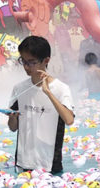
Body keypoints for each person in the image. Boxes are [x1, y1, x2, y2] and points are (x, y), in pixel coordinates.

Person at [8, 35, 75, 173]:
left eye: (31, 62)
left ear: (46, 61)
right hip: (23, 163)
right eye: (23, 61)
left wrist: (48, 92)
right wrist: (12, 117)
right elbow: (13, 128)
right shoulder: (18, 89)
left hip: (50, 164)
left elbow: (69, 120)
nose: (26, 67)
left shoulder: (61, 89)